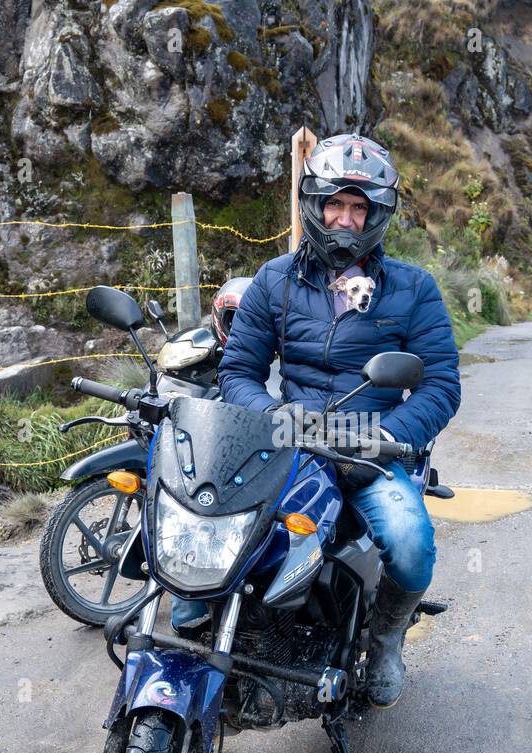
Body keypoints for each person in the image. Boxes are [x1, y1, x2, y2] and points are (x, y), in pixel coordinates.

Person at [173, 132, 461, 707]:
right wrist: (274, 418)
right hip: (289, 441)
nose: (347, 220)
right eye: (337, 204)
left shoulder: (413, 289)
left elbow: (441, 385)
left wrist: (389, 436)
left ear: (377, 214)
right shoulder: (274, 280)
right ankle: (230, 637)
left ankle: (384, 640)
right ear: (314, 203)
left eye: (360, 208)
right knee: (224, 528)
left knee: (410, 544)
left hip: (371, 449)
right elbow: (238, 371)